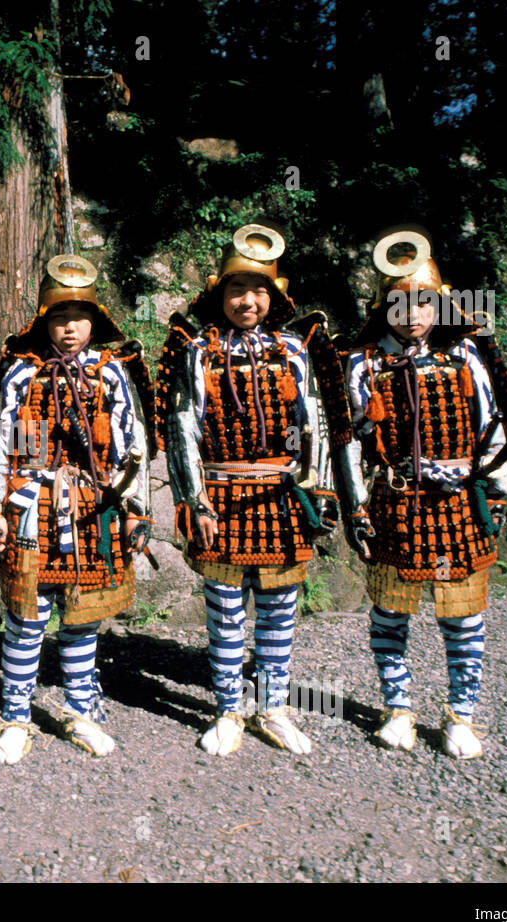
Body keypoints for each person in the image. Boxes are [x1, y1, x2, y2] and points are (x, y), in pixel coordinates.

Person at [333, 229, 507, 759]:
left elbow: (493, 433)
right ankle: (398, 708)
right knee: (390, 614)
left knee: (462, 617)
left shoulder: (465, 355)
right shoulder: (363, 363)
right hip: (396, 502)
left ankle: (461, 715)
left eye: (423, 302)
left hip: (458, 504)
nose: (412, 313)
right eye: (399, 302)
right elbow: (350, 442)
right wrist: (356, 507)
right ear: (383, 306)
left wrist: (497, 495)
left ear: (438, 305)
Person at [156, 224, 343, 757]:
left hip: (283, 495)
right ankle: (227, 709)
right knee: (224, 606)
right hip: (222, 495)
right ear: (220, 294)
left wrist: (320, 491)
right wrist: (195, 500)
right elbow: (183, 426)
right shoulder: (198, 349)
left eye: (259, 291)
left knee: (281, 605)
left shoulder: (293, 349)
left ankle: (274, 707)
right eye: (237, 291)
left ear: (273, 296)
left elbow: (316, 424)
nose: (248, 301)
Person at [0, 254, 154, 764]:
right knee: (26, 619)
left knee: (80, 619)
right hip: (31, 510)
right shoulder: (19, 374)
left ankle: (81, 711)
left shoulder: (111, 374)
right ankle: (14, 715)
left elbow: (131, 443)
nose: (70, 327)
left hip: (92, 511)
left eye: (80, 318)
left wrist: (135, 506)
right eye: (59, 317)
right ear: (44, 321)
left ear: (94, 323)